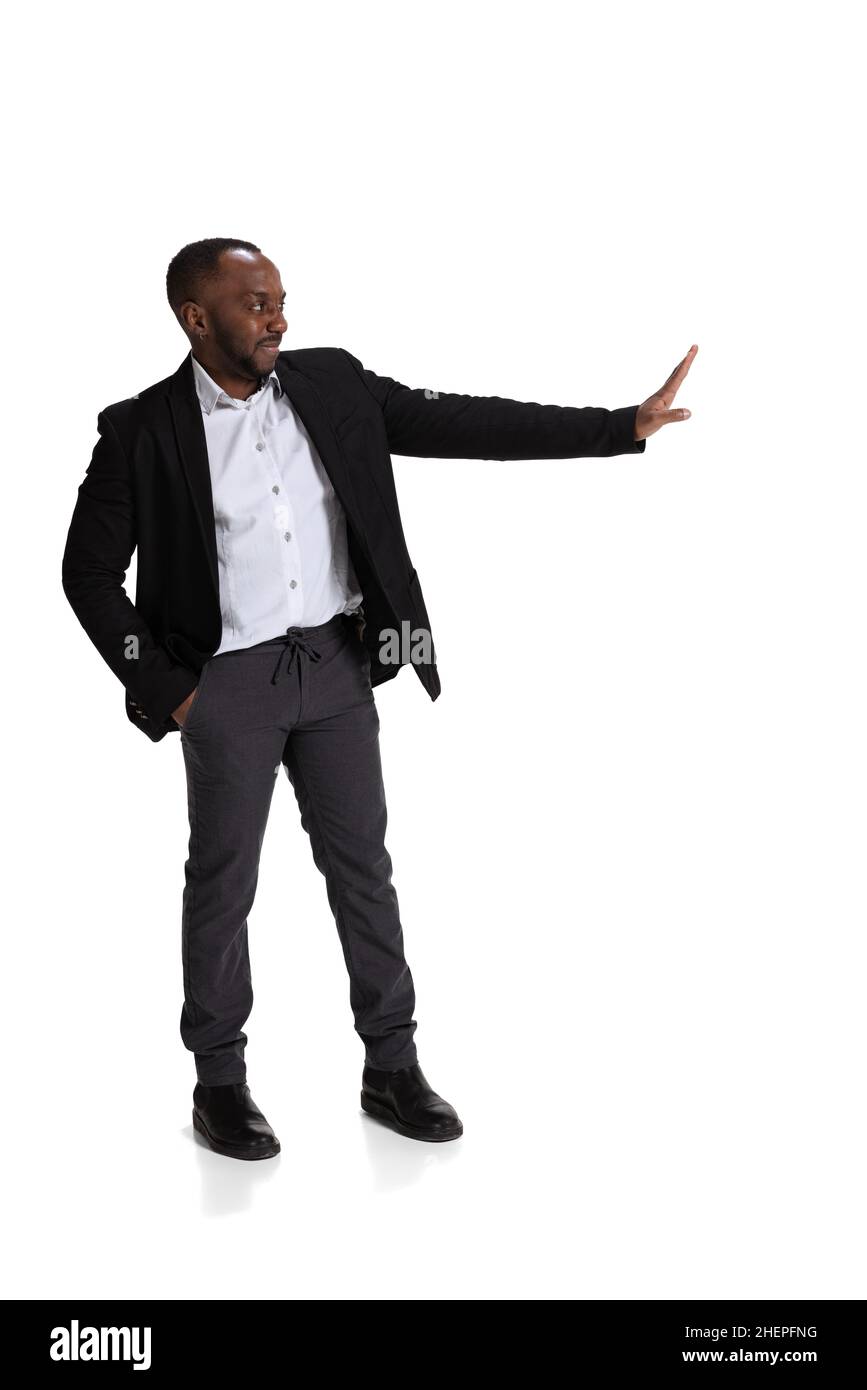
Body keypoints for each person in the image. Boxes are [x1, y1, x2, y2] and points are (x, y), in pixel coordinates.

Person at [61, 236, 697, 1162]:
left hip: (339, 667)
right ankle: (220, 1084)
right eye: (255, 304)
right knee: (222, 885)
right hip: (224, 686)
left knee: (363, 867)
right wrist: (172, 692)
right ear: (196, 319)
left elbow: (466, 423)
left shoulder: (332, 383)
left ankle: (390, 1069)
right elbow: (85, 573)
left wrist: (615, 427)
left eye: (280, 298)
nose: (278, 317)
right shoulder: (140, 429)